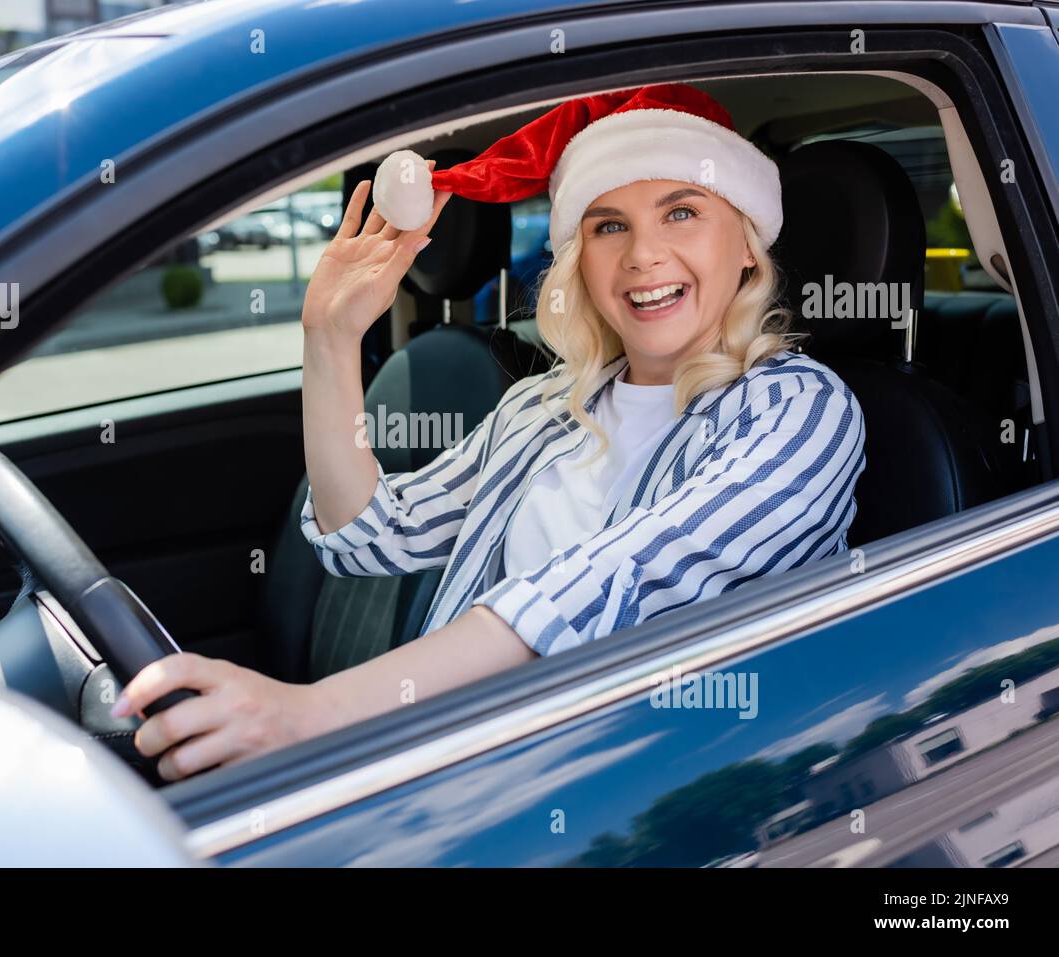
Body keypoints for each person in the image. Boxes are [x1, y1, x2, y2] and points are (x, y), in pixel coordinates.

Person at [110, 83, 866, 782]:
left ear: (746, 245)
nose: (643, 255)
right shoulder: (543, 408)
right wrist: (331, 338)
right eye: (609, 225)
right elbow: (369, 535)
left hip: (625, 790)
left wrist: (312, 714)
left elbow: (614, 581)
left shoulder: (800, 411)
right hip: (461, 763)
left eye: (682, 212)